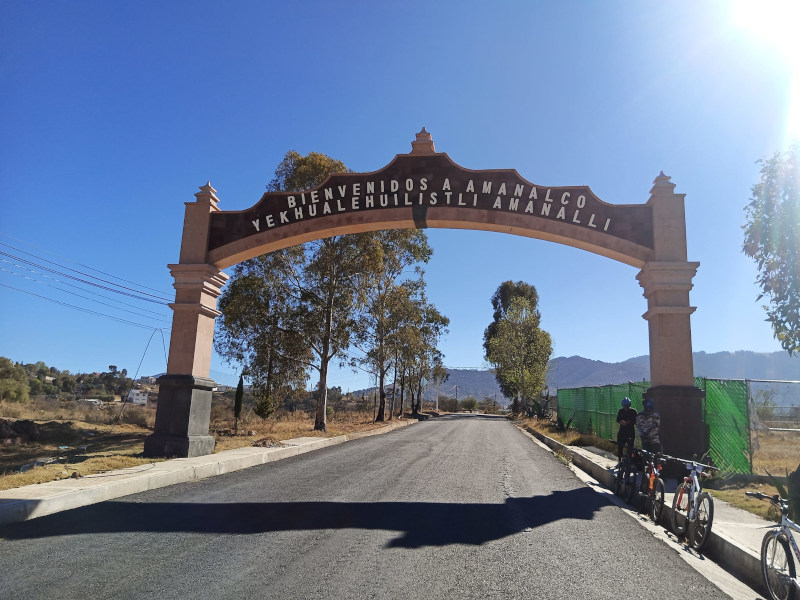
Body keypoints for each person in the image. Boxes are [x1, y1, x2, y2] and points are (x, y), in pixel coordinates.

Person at [616, 397, 637, 464]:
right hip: (622, 432)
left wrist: (629, 422)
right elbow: (617, 419)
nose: (626, 408)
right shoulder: (621, 411)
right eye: (624, 406)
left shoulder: (633, 411)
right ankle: (620, 459)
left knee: (630, 447)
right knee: (620, 446)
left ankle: (630, 460)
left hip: (630, 432)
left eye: (627, 406)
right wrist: (621, 421)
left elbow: (636, 421)